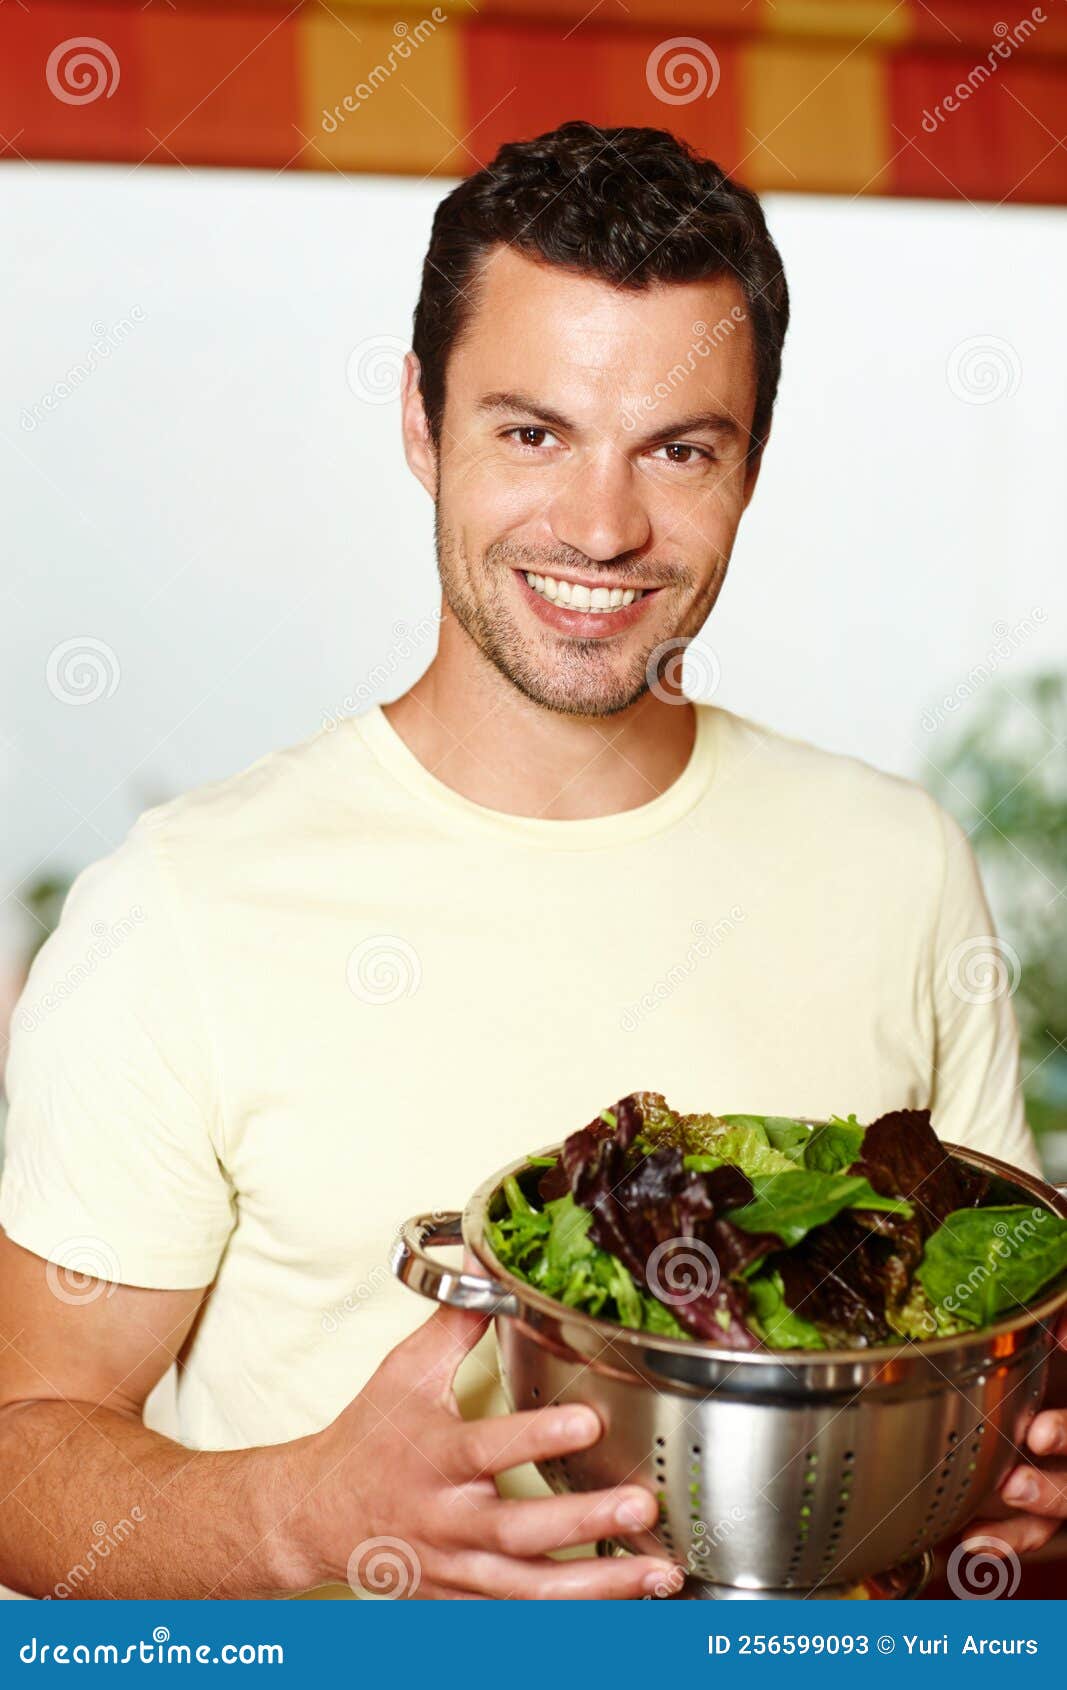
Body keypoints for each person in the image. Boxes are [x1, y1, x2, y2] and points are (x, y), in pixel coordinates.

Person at [0, 121, 1060, 1602]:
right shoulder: (175, 907)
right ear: (422, 425)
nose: (602, 525)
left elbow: (992, 1385)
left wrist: (1012, 1503)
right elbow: (24, 1444)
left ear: (750, 465)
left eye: (678, 448)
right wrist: (307, 1516)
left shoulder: (902, 863)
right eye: (532, 431)